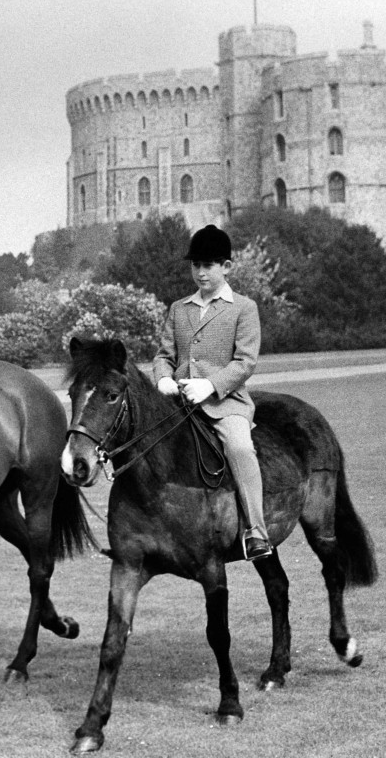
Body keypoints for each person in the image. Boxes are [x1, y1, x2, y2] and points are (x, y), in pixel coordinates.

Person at [152, 224, 272, 560]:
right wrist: (163, 377)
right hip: (178, 403)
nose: (201, 273)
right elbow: (164, 355)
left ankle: (256, 532)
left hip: (225, 403)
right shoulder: (179, 308)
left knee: (240, 447)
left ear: (227, 267)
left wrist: (211, 385)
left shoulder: (243, 308)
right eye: (196, 266)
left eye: (208, 265)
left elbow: (245, 362)